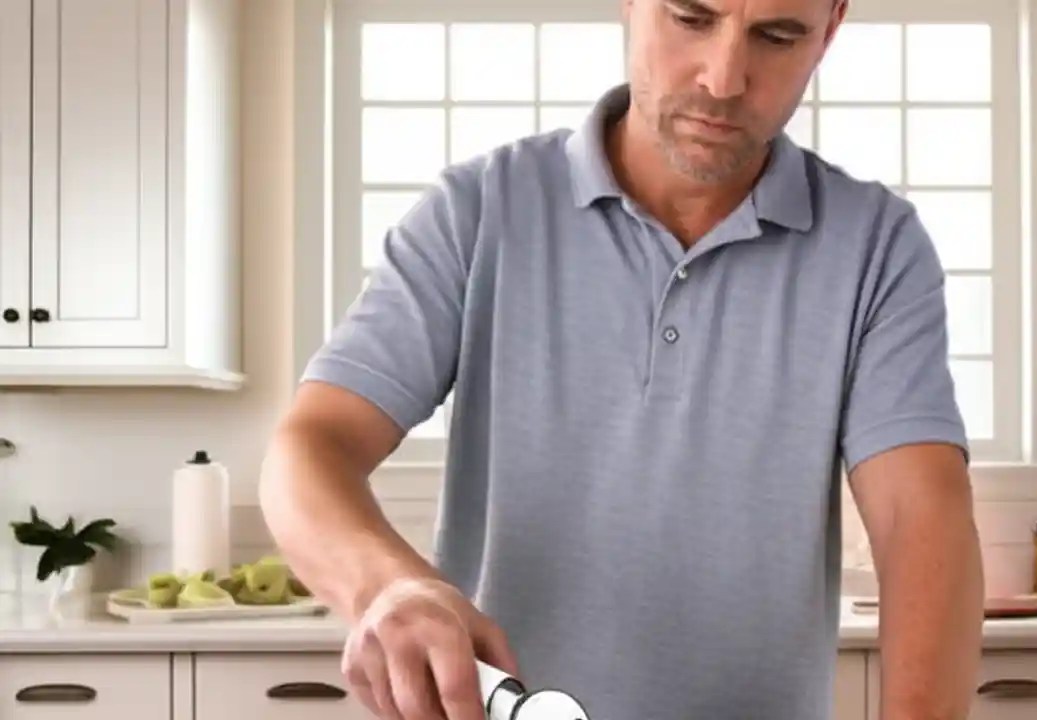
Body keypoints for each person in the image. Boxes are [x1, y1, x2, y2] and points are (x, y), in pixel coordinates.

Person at [258, 0, 985, 718]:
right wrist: (387, 585)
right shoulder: (478, 211)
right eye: (692, 18)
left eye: (777, 34)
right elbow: (311, 446)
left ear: (829, 29)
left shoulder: (876, 246)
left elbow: (919, 516)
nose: (724, 77)